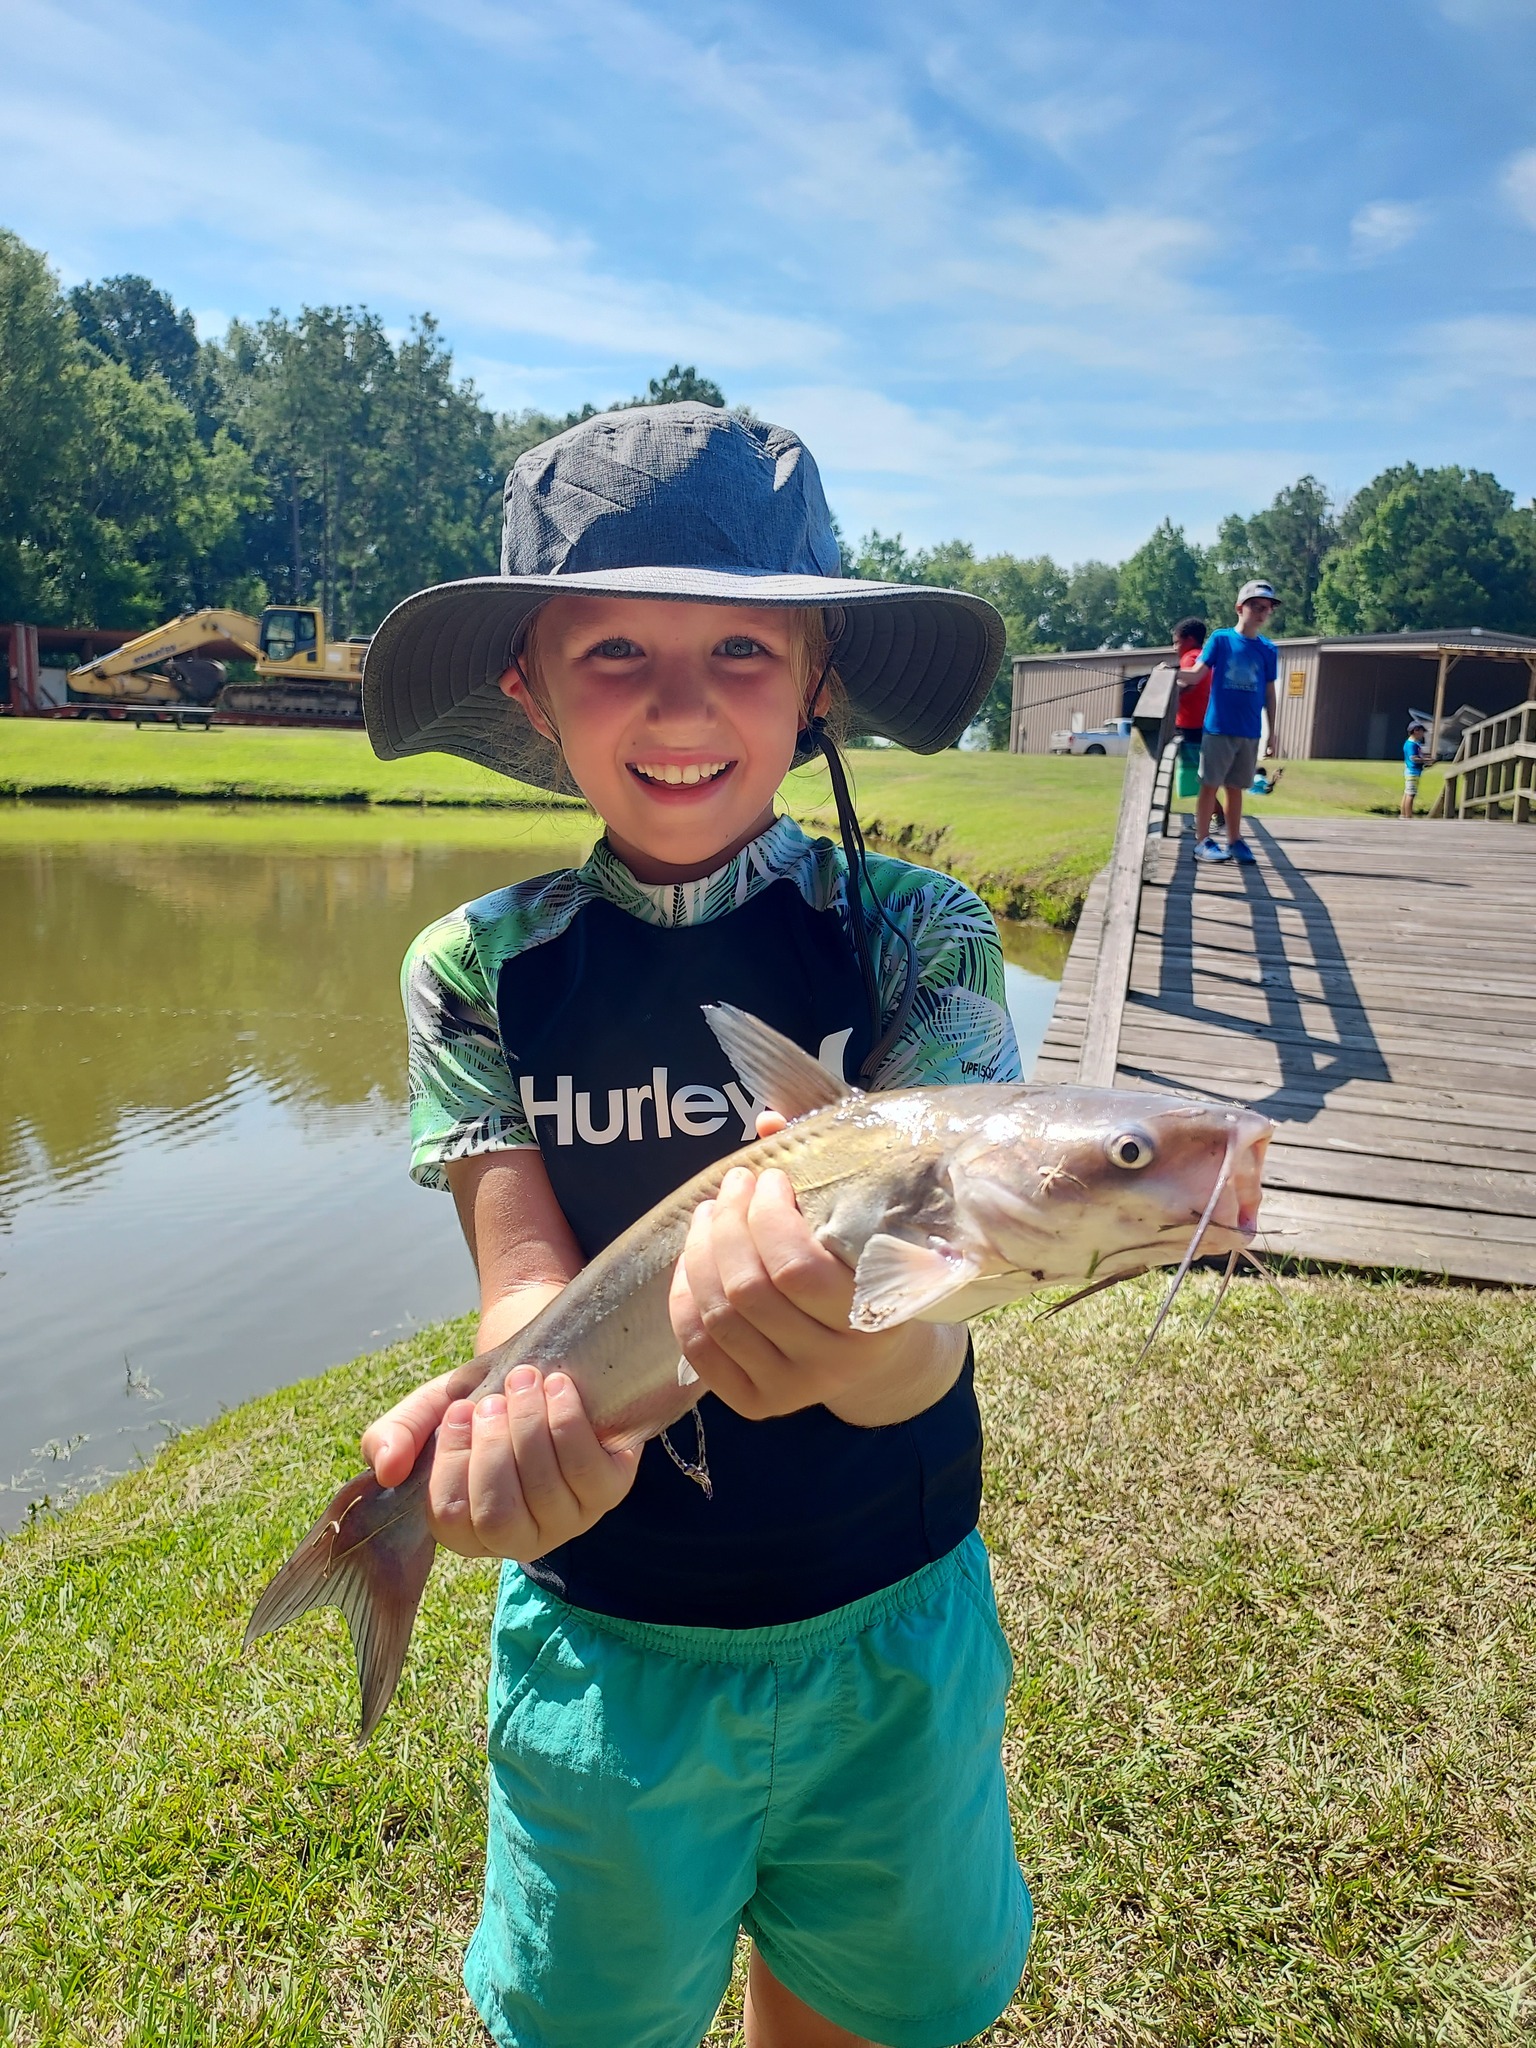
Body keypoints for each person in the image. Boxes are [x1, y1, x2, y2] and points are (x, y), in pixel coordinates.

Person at [357, 404, 1032, 2048]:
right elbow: (524, 1297)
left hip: (890, 1616)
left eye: (740, 645)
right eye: (611, 652)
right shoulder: (476, 968)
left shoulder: (917, 938)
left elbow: (934, 1314)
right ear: (526, 679)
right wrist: (514, 1434)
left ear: (820, 682)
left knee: (867, 2014)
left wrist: (857, 1352)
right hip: (609, 1650)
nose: (677, 704)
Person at [1183, 579, 1281, 864]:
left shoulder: (1268, 650)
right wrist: (1174, 673)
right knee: (1209, 784)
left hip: (1249, 731)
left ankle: (1235, 840)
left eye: (1267, 608)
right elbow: (1197, 673)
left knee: (1237, 787)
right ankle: (1202, 841)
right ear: (1240, 608)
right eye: (1256, 606)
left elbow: (1270, 693)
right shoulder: (1221, 639)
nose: (1262, 613)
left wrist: (1272, 732)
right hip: (1218, 727)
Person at [1171, 614, 1212, 816]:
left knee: (1195, 776)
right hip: (1201, 725)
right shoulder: (1204, 656)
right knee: (1197, 774)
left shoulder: (1191, 657)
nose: (1174, 648)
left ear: (1189, 640)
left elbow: (1187, 684)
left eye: (1176, 643)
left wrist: (1168, 684)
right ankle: (1215, 815)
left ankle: (1217, 815)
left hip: (1191, 727)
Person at [1402, 720, 1429, 818]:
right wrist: (1425, 760)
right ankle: (1408, 816)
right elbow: (1413, 758)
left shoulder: (1413, 743)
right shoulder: (1411, 744)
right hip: (1412, 772)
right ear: (1416, 731)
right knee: (1411, 794)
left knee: (1407, 792)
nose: (1423, 734)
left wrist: (1426, 759)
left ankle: (1403, 815)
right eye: (1422, 732)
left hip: (1412, 771)